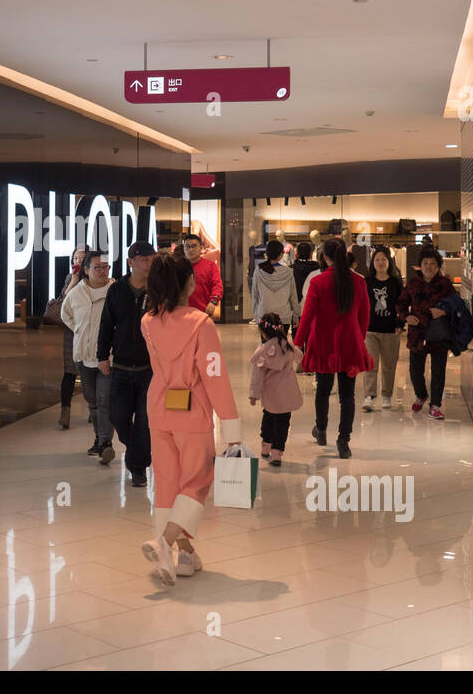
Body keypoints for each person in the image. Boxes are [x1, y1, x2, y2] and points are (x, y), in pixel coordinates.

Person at [139, 253, 242, 585]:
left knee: (168, 483)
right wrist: (231, 426)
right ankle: (164, 543)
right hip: (192, 411)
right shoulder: (202, 324)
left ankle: (180, 557)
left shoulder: (148, 322)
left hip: (158, 407)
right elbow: (215, 376)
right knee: (196, 481)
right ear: (187, 283)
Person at [295, 238, 373, 458]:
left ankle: (321, 429)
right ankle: (343, 440)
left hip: (323, 343)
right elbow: (364, 316)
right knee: (347, 395)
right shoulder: (358, 281)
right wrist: (359, 337)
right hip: (350, 342)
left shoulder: (318, 282)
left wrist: (298, 343)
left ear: (324, 256)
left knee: (323, 388)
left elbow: (307, 317)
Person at [97, 241, 155, 486]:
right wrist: (102, 355)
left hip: (149, 369)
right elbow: (106, 324)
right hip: (120, 367)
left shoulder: (157, 291)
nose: (149, 264)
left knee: (144, 420)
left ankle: (138, 468)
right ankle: (137, 451)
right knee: (118, 416)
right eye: (144, 259)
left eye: (152, 259)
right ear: (131, 262)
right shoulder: (117, 290)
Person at [62, 250, 115, 460]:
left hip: (107, 358)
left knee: (104, 400)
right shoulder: (77, 292)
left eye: (105, 267)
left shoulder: (115, 291)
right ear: (86, 270)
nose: (102, 271)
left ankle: (105, 442)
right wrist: (80, 331)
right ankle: (98, 438)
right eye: (97, 267)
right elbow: (65, 314)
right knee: (91, 399)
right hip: (83, 356)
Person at [396, 248, 457, 420]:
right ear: (419, 266)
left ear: (438, 265)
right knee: (415, 370)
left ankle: (435, 405)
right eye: (425, 263)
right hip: (417, 334)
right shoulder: (413, 284)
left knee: (438, 371)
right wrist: (406, 317)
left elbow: (456, 304)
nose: (429, 266)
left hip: (439, 333)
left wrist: (444, 312)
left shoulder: (445, 284)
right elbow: (401, 303)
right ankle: (421, 395)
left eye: (432, 263)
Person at [249, 313, 302, 467]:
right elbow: (300, 357)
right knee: (283, 424)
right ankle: (277, 454)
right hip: (286, 394)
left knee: (268, 419)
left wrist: (254, 395)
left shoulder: (262, 351)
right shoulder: (286, 345)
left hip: (271, 395)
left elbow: (256, 376)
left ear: (262, 332)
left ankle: (265, 446)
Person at [363, 246, 404, 411]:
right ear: (373, 263)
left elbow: (402, 305)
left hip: (390, 329)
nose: (380, 263)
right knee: (370, 364)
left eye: (384, 259)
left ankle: (387, 395)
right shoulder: (367, 282)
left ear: (389, 262)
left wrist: (400, 323)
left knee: (389, 365)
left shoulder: (395, 282)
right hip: (370, 329)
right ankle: (369, 396)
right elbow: (361, 305)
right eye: (377, 260)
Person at [56, 247, 88, 429]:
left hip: (91, 330)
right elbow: (62, 301)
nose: (78, 262)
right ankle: (65, 412)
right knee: (69, 372)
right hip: (71, 330)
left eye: (82, 258)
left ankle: (94, 409)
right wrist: (73, 282)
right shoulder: (70, 278)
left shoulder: (96, 279)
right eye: (75, 258)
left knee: (89, 372)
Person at [250, 239, 299, 325]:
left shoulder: (259, 270)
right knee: (282, 339)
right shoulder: (288, 272)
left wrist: (256, 315)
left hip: (264, 316)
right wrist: (296, 315)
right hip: (284, 316)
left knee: (267, 339)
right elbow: (293, 296)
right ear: (280, 254)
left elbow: (255, 295)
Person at [181, 233, 222, 317]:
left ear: (201, 248)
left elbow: (217, 285)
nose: (191, 250)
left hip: (203, 313)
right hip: (181, 313)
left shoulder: (210, 266)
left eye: (194, 246)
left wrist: (213, 301)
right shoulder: (177, 266)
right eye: (187, 246)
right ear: (184, 249)